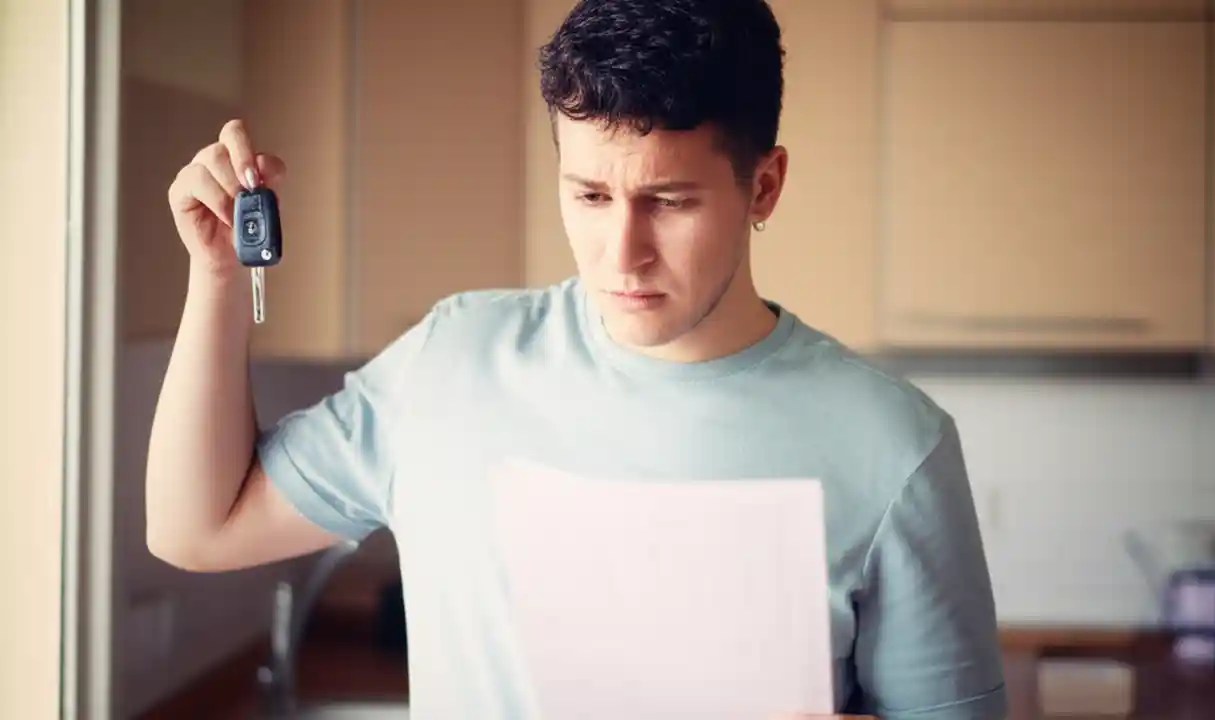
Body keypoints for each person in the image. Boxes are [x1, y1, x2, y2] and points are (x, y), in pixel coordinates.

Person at [148, 0, 1007, 717]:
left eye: (668, 201)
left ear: (764, 187)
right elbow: (198, 527)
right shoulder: (448, 365)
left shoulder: (896, 446)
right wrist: (217, 275)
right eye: (591, 195)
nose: (620, 253)